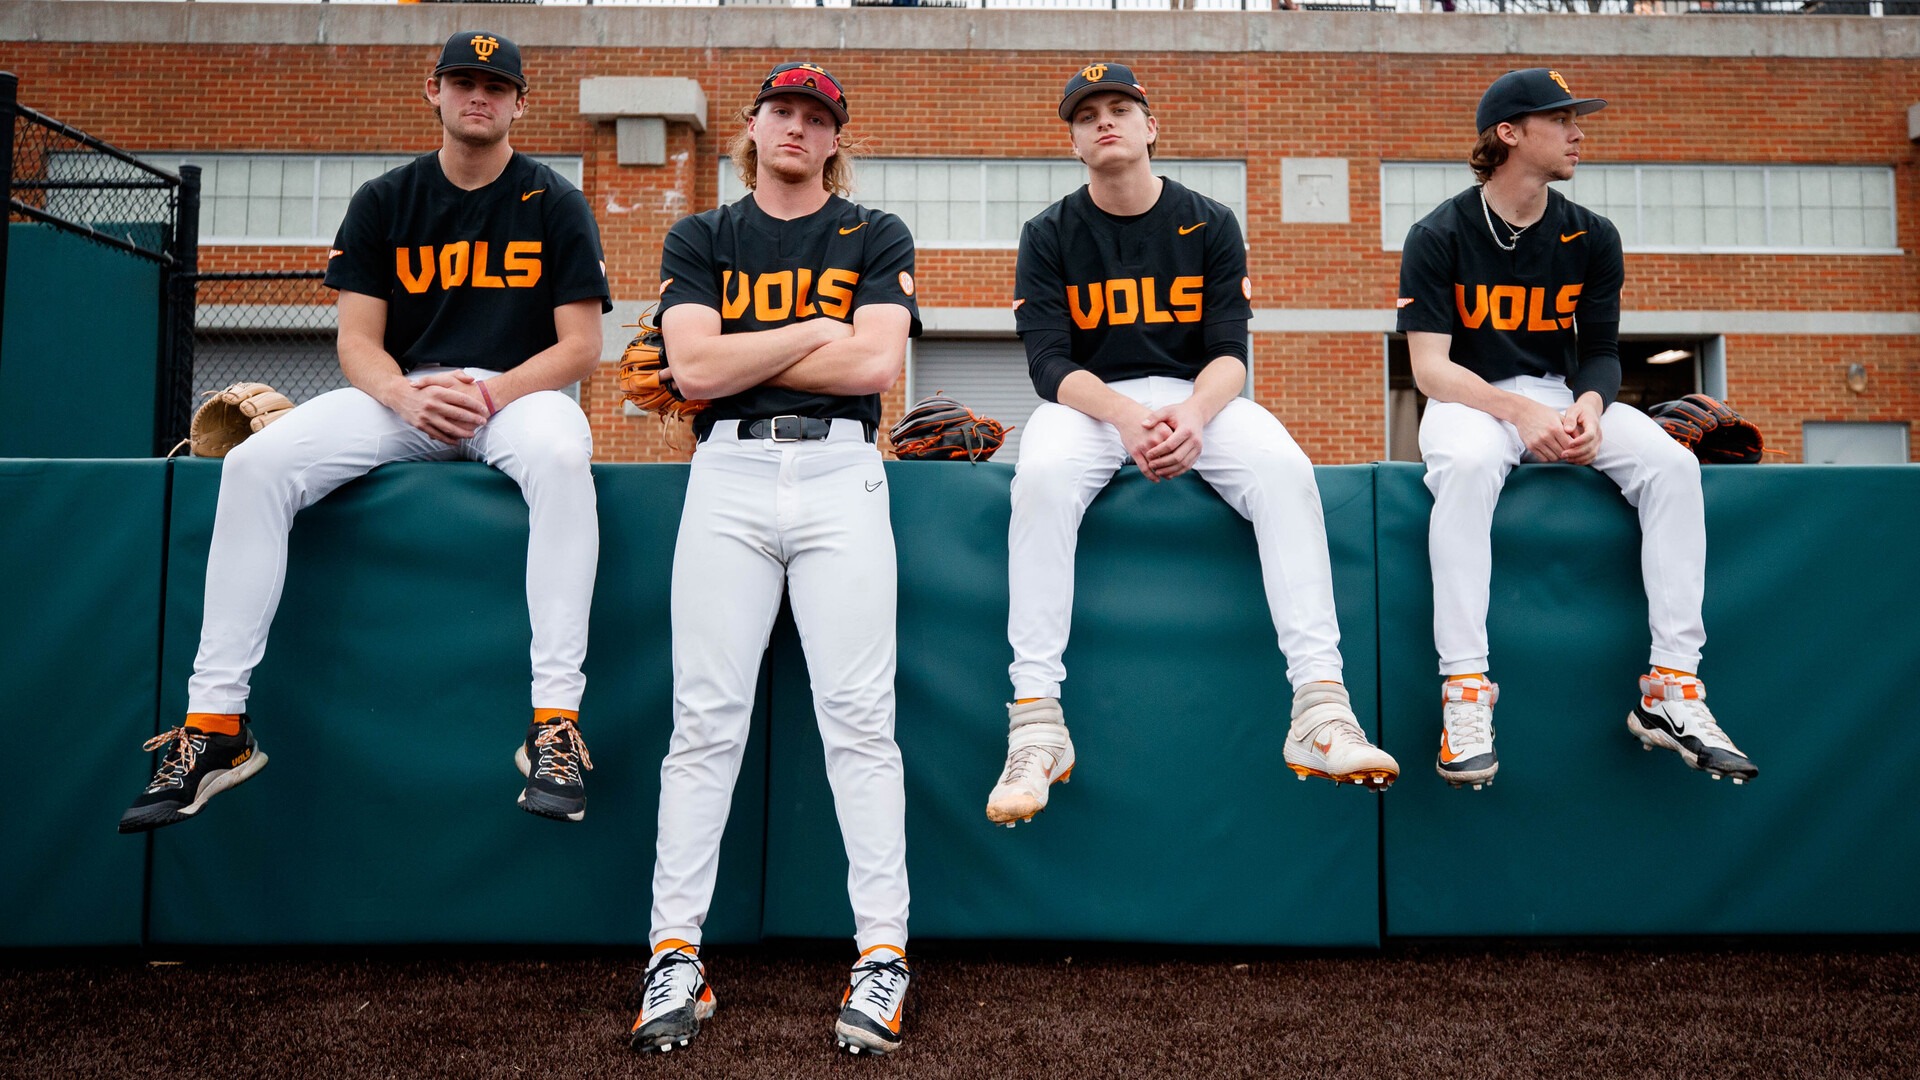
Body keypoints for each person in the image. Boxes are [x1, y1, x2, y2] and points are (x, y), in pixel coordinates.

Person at [117, 30, 611, 833]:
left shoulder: (554, 200)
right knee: (256, 465)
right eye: (462, 81)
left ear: (521, 102)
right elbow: (355, 342)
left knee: (562, 453)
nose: (477, 95)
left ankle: (555, 722)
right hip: (403, 394)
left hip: (515, 395)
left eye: (495, 85)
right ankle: (215, 728)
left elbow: (582, 347)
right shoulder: (386, 198)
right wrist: (407, 399)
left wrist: (489, 398)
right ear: (433, 90)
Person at [986, 62, 1399, 830]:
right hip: (1092, 405)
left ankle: (1320, 707)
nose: (1104, 121)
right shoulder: (1049, 232)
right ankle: (1036, 723)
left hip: (1198, 395)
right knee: (1039, 475)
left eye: (1119, 108)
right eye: (1087, 116)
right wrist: (1124, 419)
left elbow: (1229, 351)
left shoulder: (1208, 219)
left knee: (1283, 466)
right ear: (1074, 141)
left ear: (1151, 126)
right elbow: (1049, 365)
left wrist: (1195, 415)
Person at [630, 62, 916, 1058]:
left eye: (817, 116)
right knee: (704, 721)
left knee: (860, 722)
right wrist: (807, 330)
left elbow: (876, 365)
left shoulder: (875, 232)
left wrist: (734, 352)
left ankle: (883, 954)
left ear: (836, 138)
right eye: (782, 111)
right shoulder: (702, 234)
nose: (798, 126)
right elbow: (691, 373)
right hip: (728, 477)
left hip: (843, 474)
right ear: (753, 127)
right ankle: (675, 952)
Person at [1395, 68, 1758, 790]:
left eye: (1576, 119)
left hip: (1562, 398)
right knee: (1466, 470)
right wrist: (1524, 415)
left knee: (1673, 466)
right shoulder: (1438, 232)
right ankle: (1465, 692)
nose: (1578, 131)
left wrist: (1589, 408)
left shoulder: (1592, 234)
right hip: (1471, 401)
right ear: (1508, 133)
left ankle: (1673, 690)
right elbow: (1430, 370)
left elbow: (1598, 355)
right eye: (1560, 119)